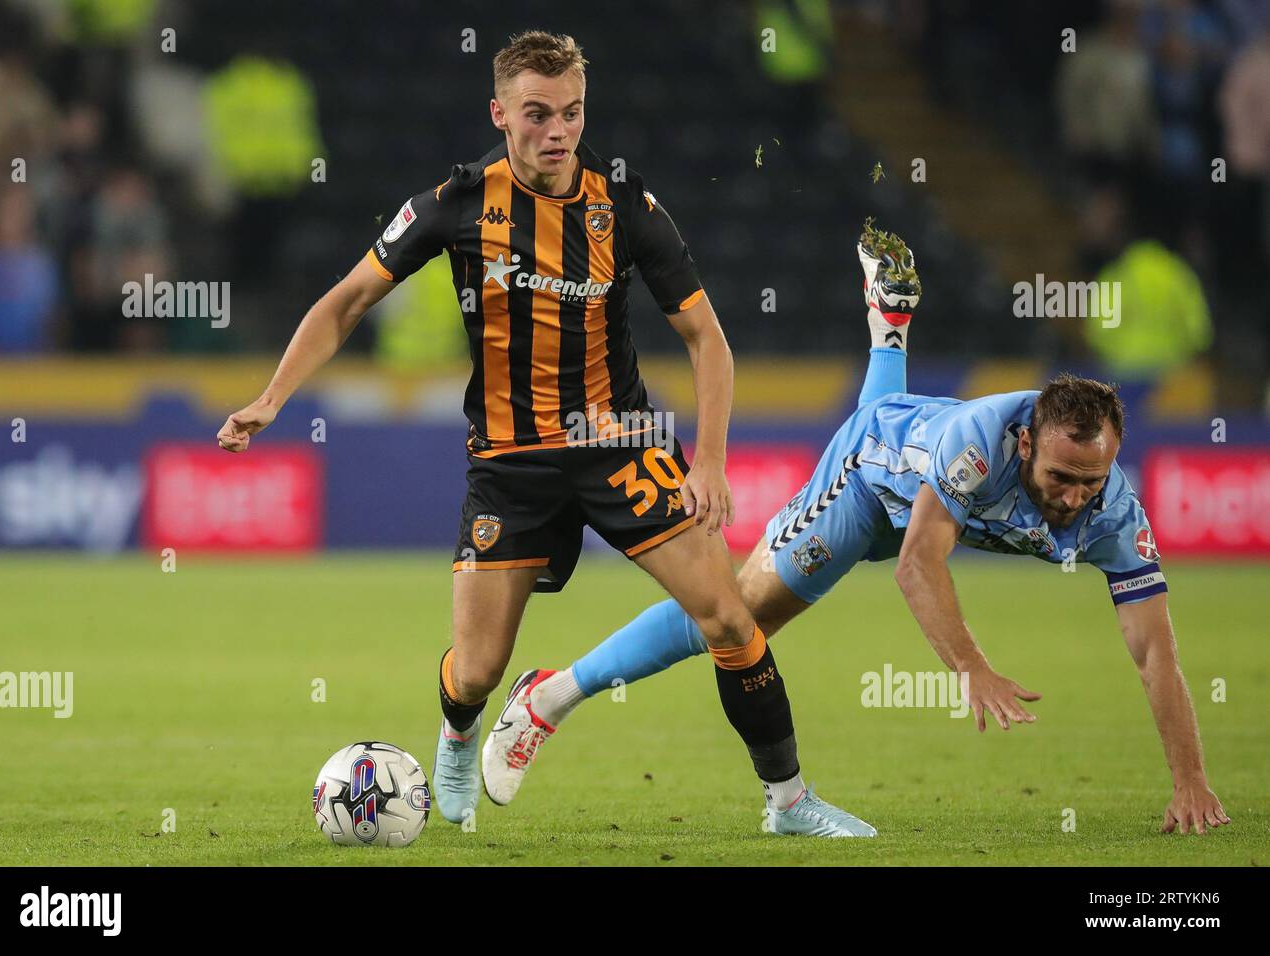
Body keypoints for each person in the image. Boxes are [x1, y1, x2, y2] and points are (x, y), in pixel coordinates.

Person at [217, 30, 869, 837]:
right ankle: (458, 736)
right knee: (477, 670)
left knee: (731, 619)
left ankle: (790, 803)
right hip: (510, 463)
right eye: (537, 115)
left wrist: (707, 461)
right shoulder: (454, 204)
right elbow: (347, 300)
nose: (558, 131)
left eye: (571, 113)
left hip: (619, 442)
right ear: (500, 114)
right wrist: (273, 398)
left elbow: (708, 339)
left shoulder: (624, 204)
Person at [487, 224, 1231, 838]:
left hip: (908, 449)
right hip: (872, 487)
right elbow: (916, 566)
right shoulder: (980, 442)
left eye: (1090, 483)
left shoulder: (1115, 513)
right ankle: (550, 697)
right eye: (1060, 479)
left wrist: (1191, 783)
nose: (1073, 499)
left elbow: (1154, 649)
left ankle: (889, 328)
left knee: (883, 421)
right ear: (1028, 443)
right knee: (738, 619)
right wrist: (971, 666)